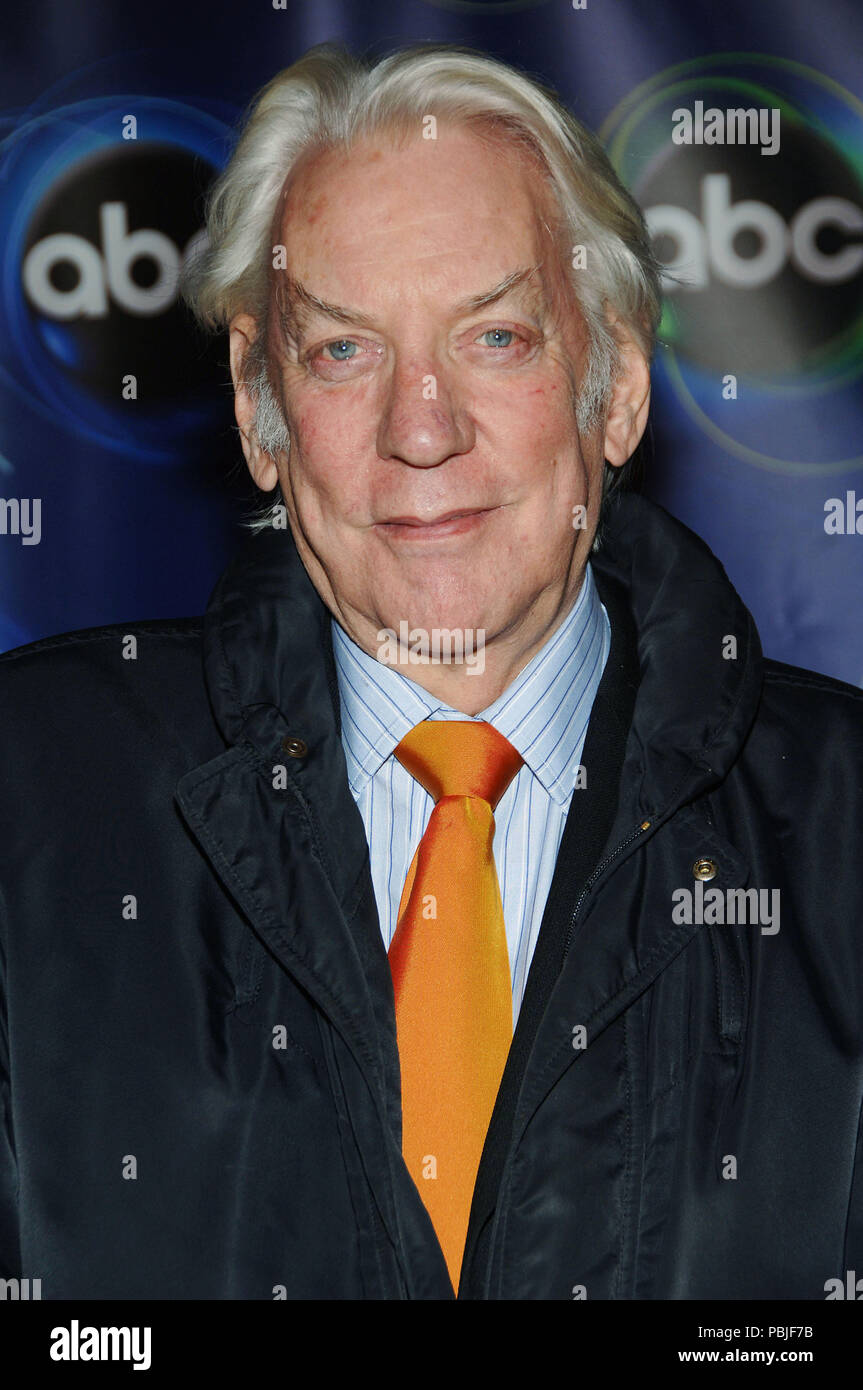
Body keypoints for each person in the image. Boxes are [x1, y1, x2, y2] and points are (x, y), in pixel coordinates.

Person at [1, 41, 862, 1301]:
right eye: (343, 350)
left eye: (496, 336)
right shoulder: (30, 801)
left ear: (614, 381)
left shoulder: (840, 831)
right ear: (256, 404)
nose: (421, 427)